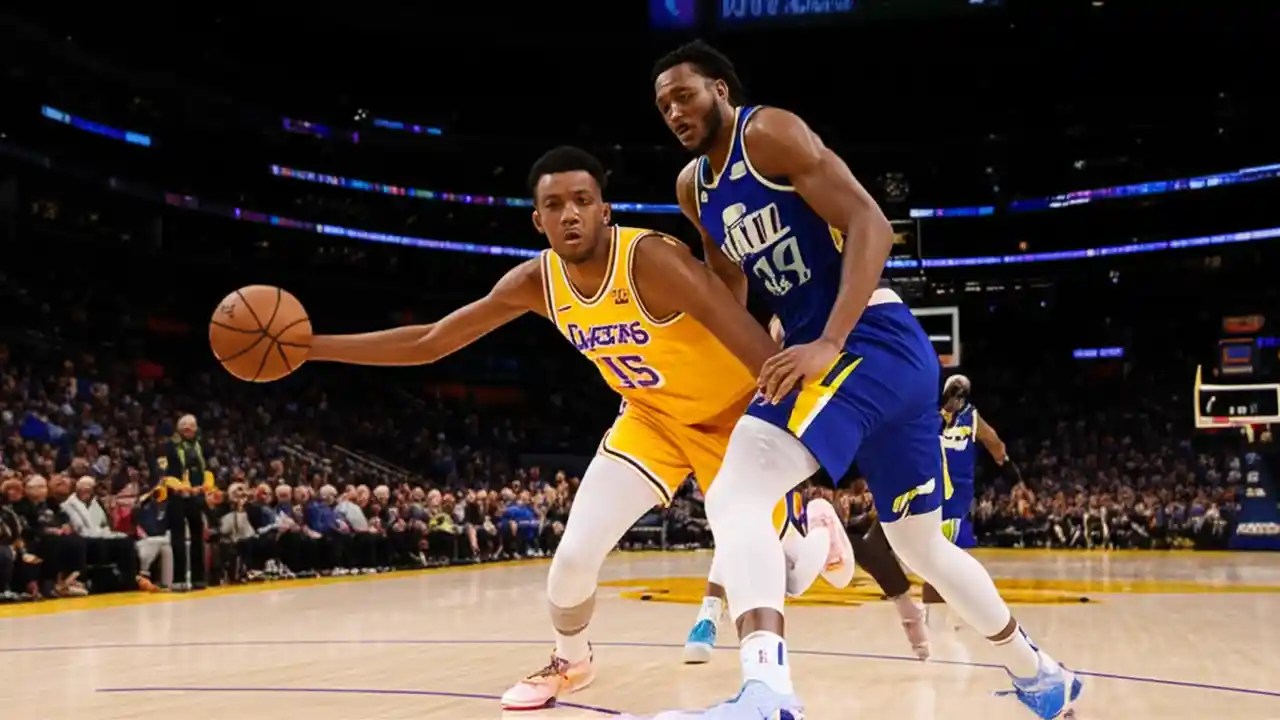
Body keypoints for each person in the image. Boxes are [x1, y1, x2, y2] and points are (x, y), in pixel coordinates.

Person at [292, 145, 851, 711]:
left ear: (604, 210)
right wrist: (310, 348)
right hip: (651, 419)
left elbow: (749, 334)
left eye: (583, 200)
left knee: (794, 577)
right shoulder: (536, 282)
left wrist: (802, 431)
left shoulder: (651, 261)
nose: (570, 214)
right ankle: (572, 661)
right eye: (555, 205)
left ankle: (819, 529)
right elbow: (431, 340)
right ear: (539, 220)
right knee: (573, 559)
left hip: (732, 416)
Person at [644, 40, 1080, 719]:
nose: (674, 109)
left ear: (722, 89)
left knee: (734, 491)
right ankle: (1042, 674)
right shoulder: (691, 186)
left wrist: (827, 340)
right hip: (880, 359)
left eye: (685, 93)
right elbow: (728, 284)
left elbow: (870, 221)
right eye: (663, 103)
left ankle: (765, 692)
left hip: (865, 341)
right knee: (920, 545)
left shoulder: (768, 132)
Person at [683, 316, 928, 664]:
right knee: (734, 518)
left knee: (794, 574)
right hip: (770, 463)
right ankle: (711, 615)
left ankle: (823, 530)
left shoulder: (835, 364)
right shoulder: (762, 364)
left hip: (804, 464)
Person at [926, 374, 1018, 631]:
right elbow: (995, 444)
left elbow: (994, 442)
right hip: (938, 490)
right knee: (940, 554)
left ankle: (941, 613)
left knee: (943, 552)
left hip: (953, 494)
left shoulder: (969, 417)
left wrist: (1005, 463)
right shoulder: (935, 417)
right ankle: (935, 615)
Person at [158, 414, 215, 592]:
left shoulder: (200, 445)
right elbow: (163, 470)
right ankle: (179, 579)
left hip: (196, 496)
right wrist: (178, 486)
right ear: (180, 429)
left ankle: (199, 578)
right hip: (177, 495)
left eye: (191, 426)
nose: (189, 430)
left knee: (198, 536)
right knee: (178, 538)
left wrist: (205, 486)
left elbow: (207, 469)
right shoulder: (169, 445)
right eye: (185, 427)